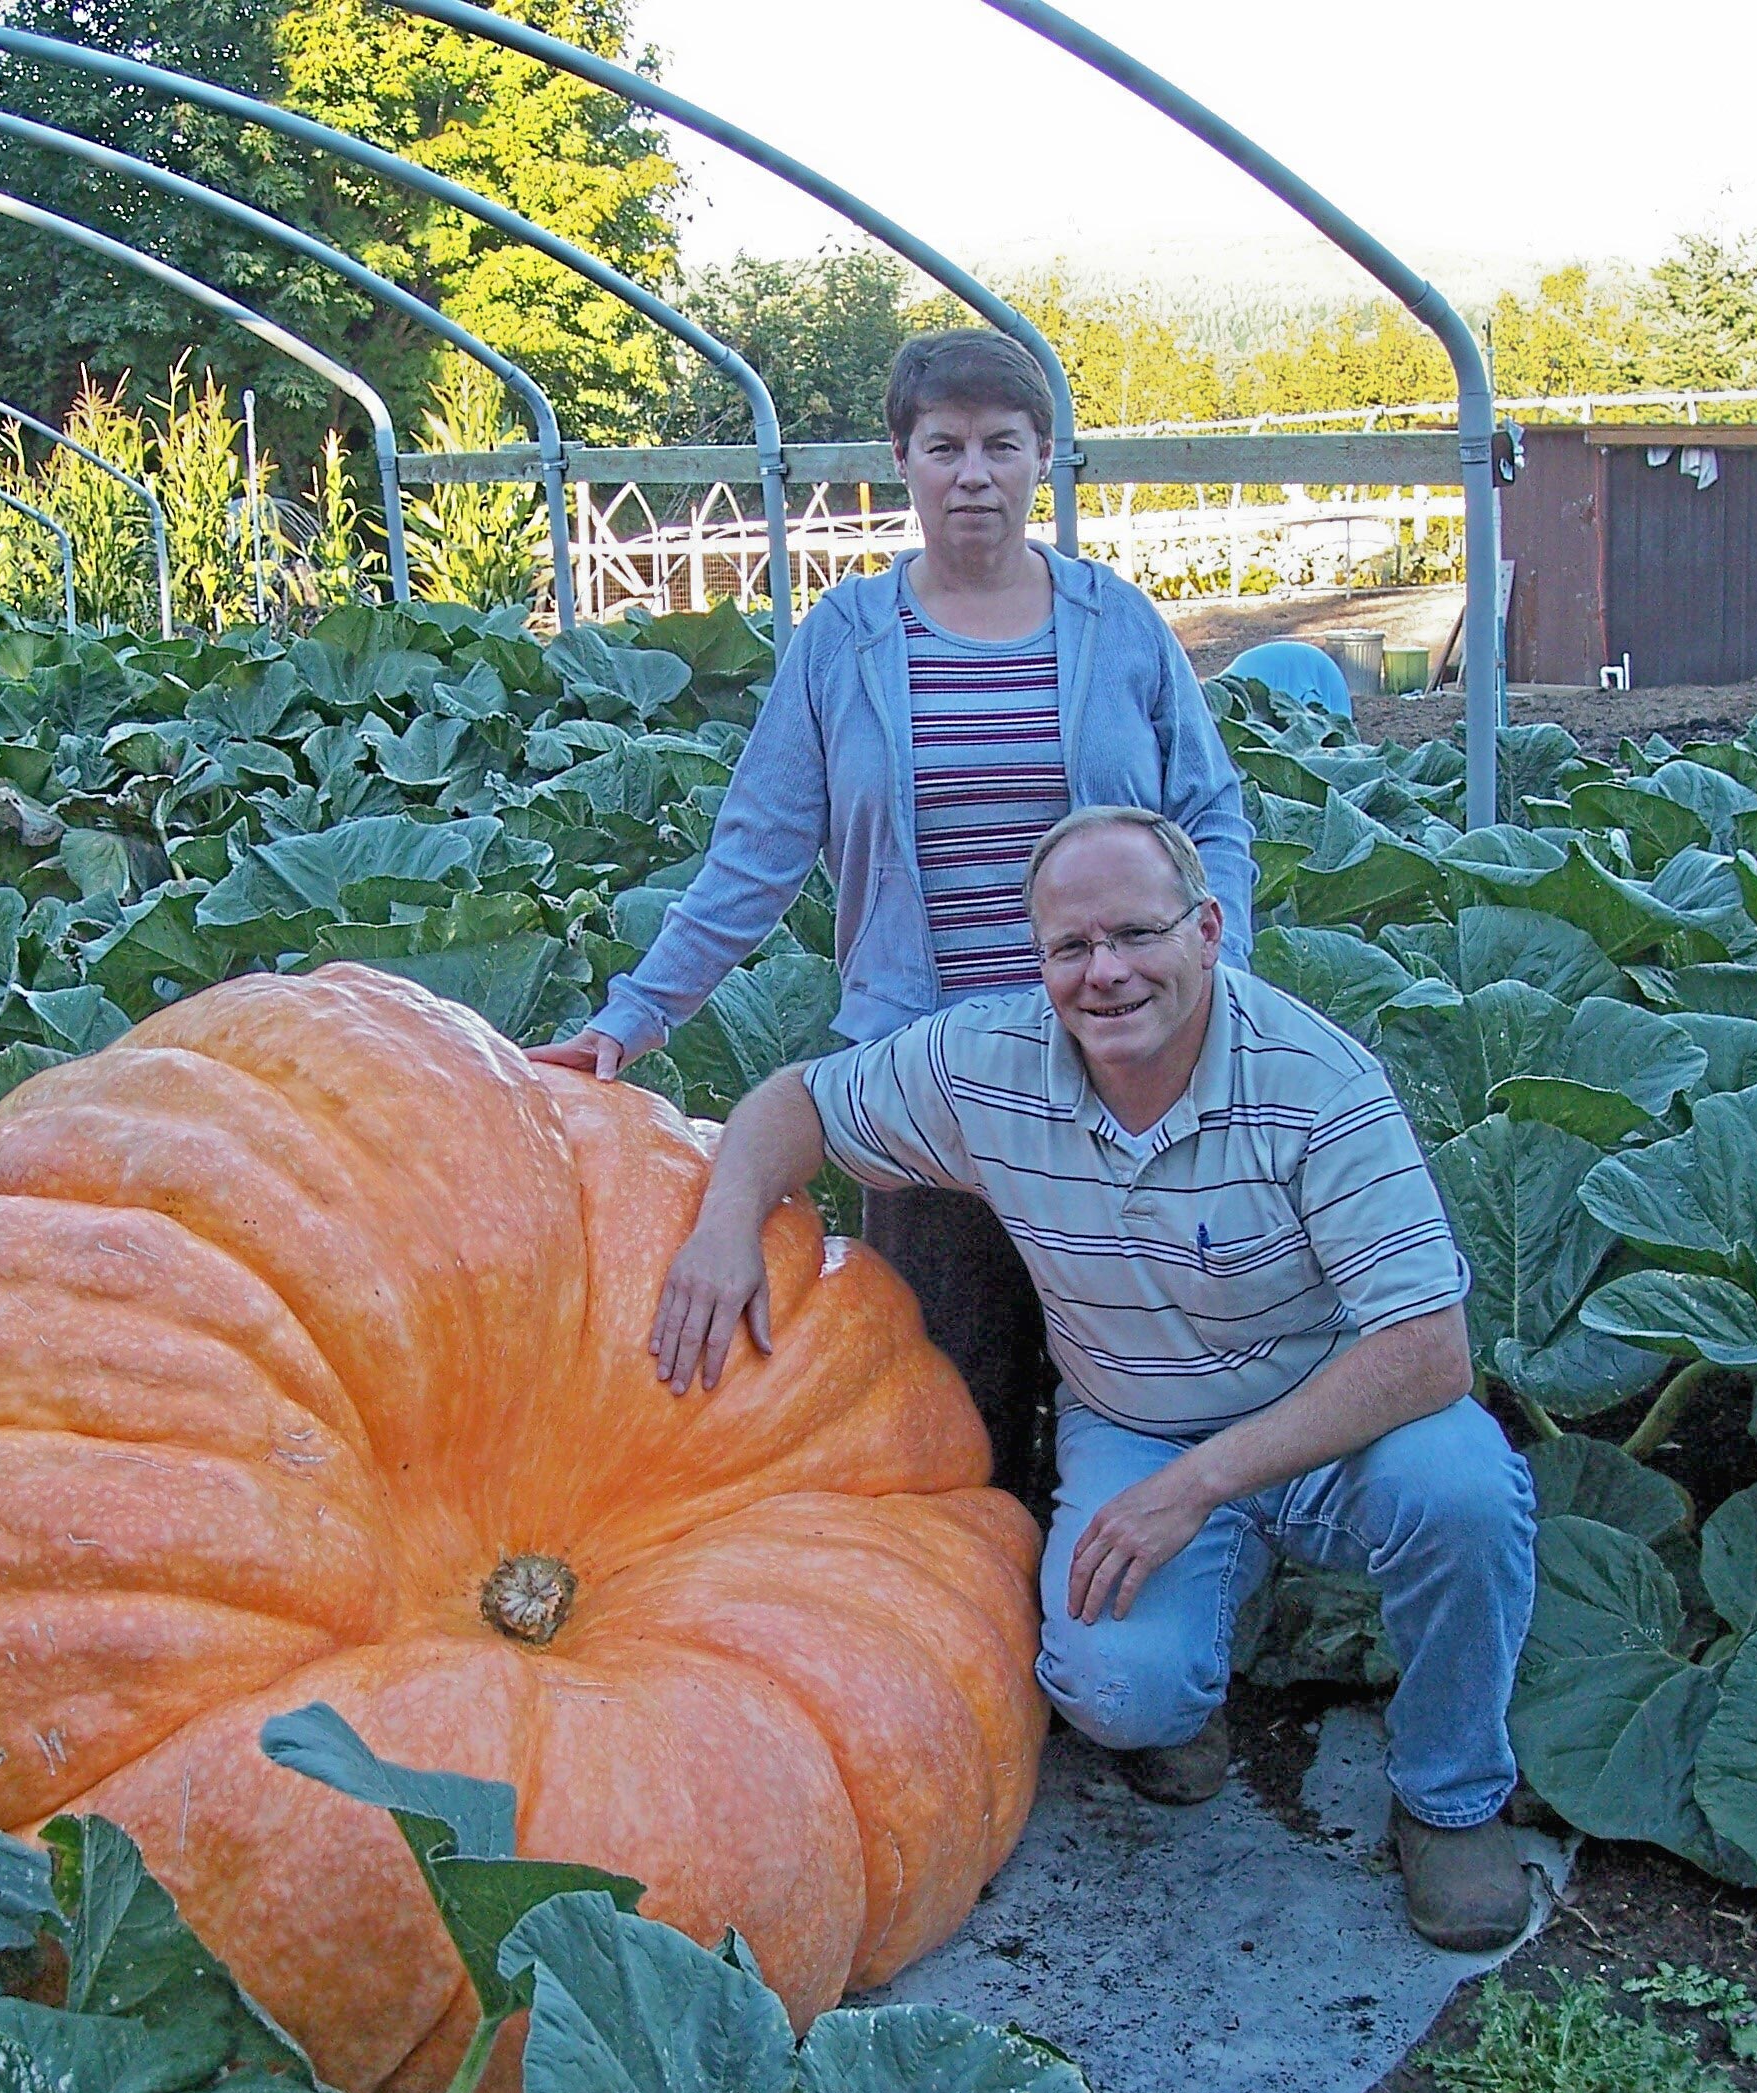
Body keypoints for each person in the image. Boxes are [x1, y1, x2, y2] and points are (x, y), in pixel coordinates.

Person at [642, 805, 1537, 1952]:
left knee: (1463, 1493)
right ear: (1040, 961)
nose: (1104, 972)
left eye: (1135, 934)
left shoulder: (1317, 1083)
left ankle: (1452, 1795)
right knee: (1114, 1691)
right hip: (1142, 1429)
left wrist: (1200, 1486)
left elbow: (1427, 1351)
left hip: (1332, 1424)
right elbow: (797, 1104)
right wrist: (725, 1220)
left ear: (1208, 930)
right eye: (1070, 947)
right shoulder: (988, 1067)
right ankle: (1199, 1655)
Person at [531, 329, 1254, 1507]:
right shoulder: (846, 642)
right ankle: (977, 1668)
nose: (975, 474)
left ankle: (1104, 1639)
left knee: (1122, 1385)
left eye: (1002, 447)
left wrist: (1215, 977)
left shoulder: (1117, 627)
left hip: (1114, 1071)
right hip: (924, 1088)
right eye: (946, 448)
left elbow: (1208, 818)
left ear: (1043, 461)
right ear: (904, 464)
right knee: (949, 1397)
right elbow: (755, 856)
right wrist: (635, 1016)